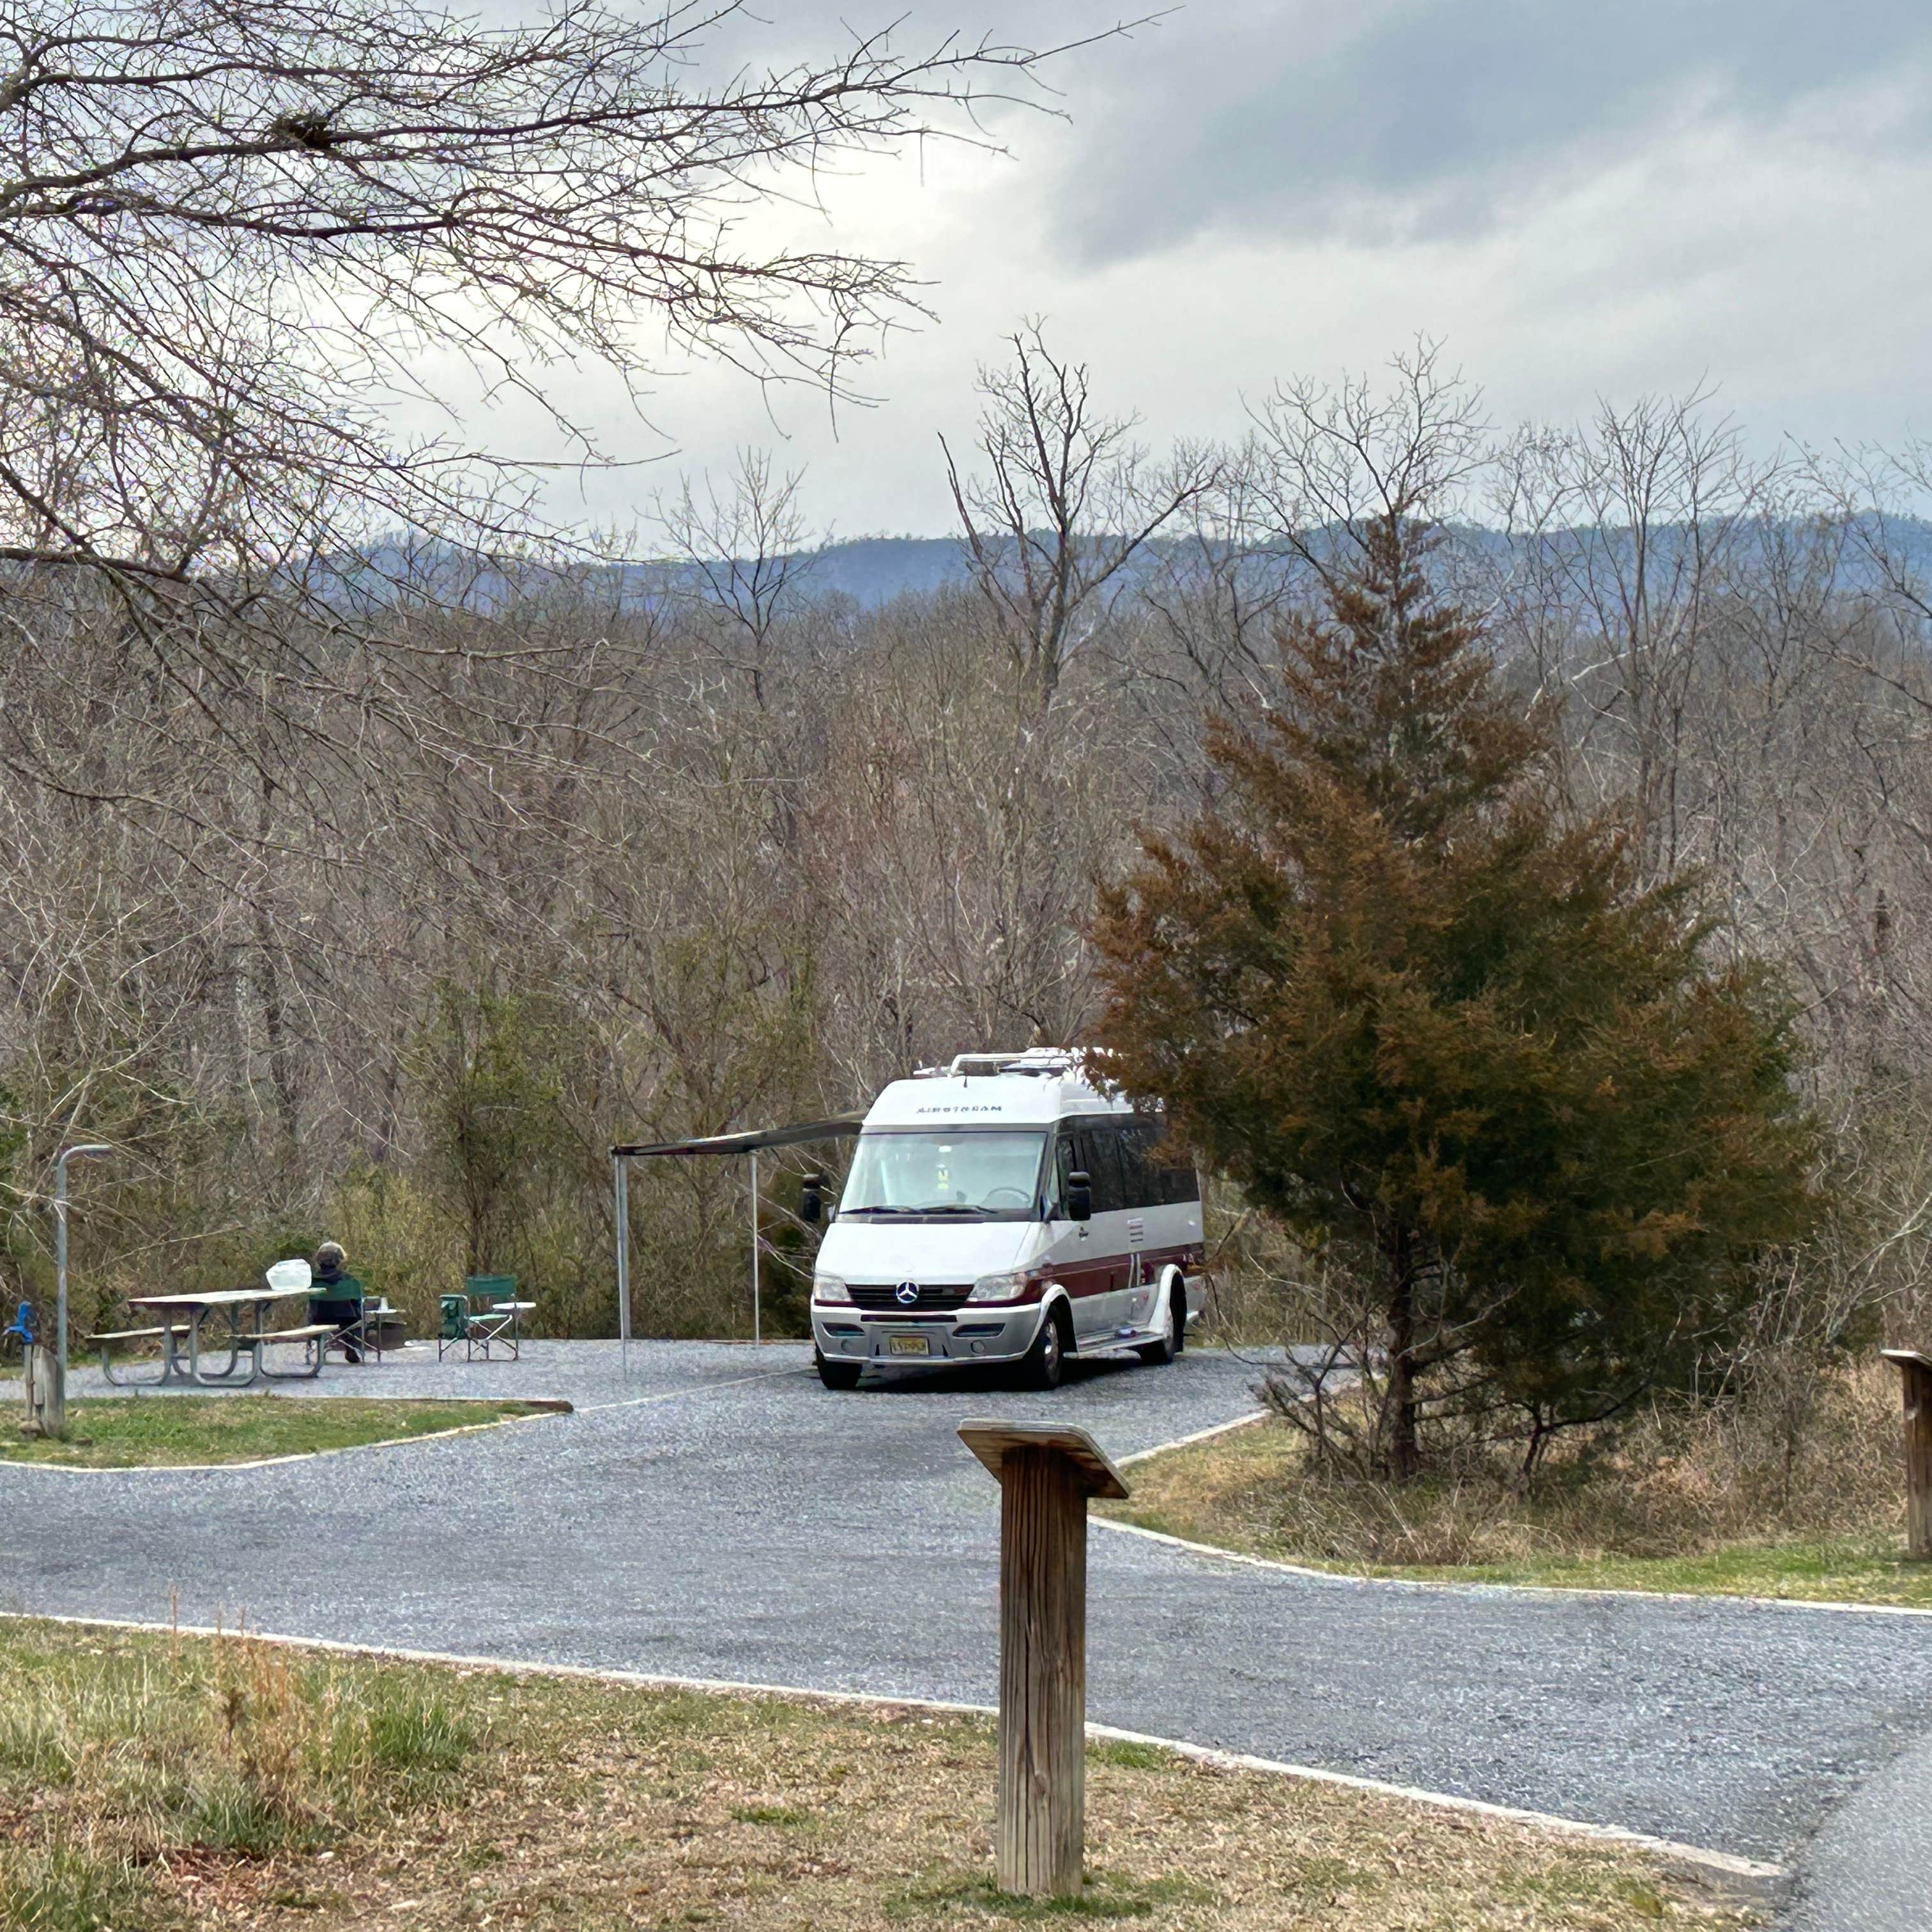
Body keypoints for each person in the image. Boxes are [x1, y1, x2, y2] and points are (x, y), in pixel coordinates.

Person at [307, 1241, 365, 1363]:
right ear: (339, 1260)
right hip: (347, 1319)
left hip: (319, 1319)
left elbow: (311, 1304)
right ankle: (351, 1347)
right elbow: (357, 1301)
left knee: (315, 1311)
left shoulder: (311, 1281)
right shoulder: (350, 1280)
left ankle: (319, 1347)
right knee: (353, 1312)